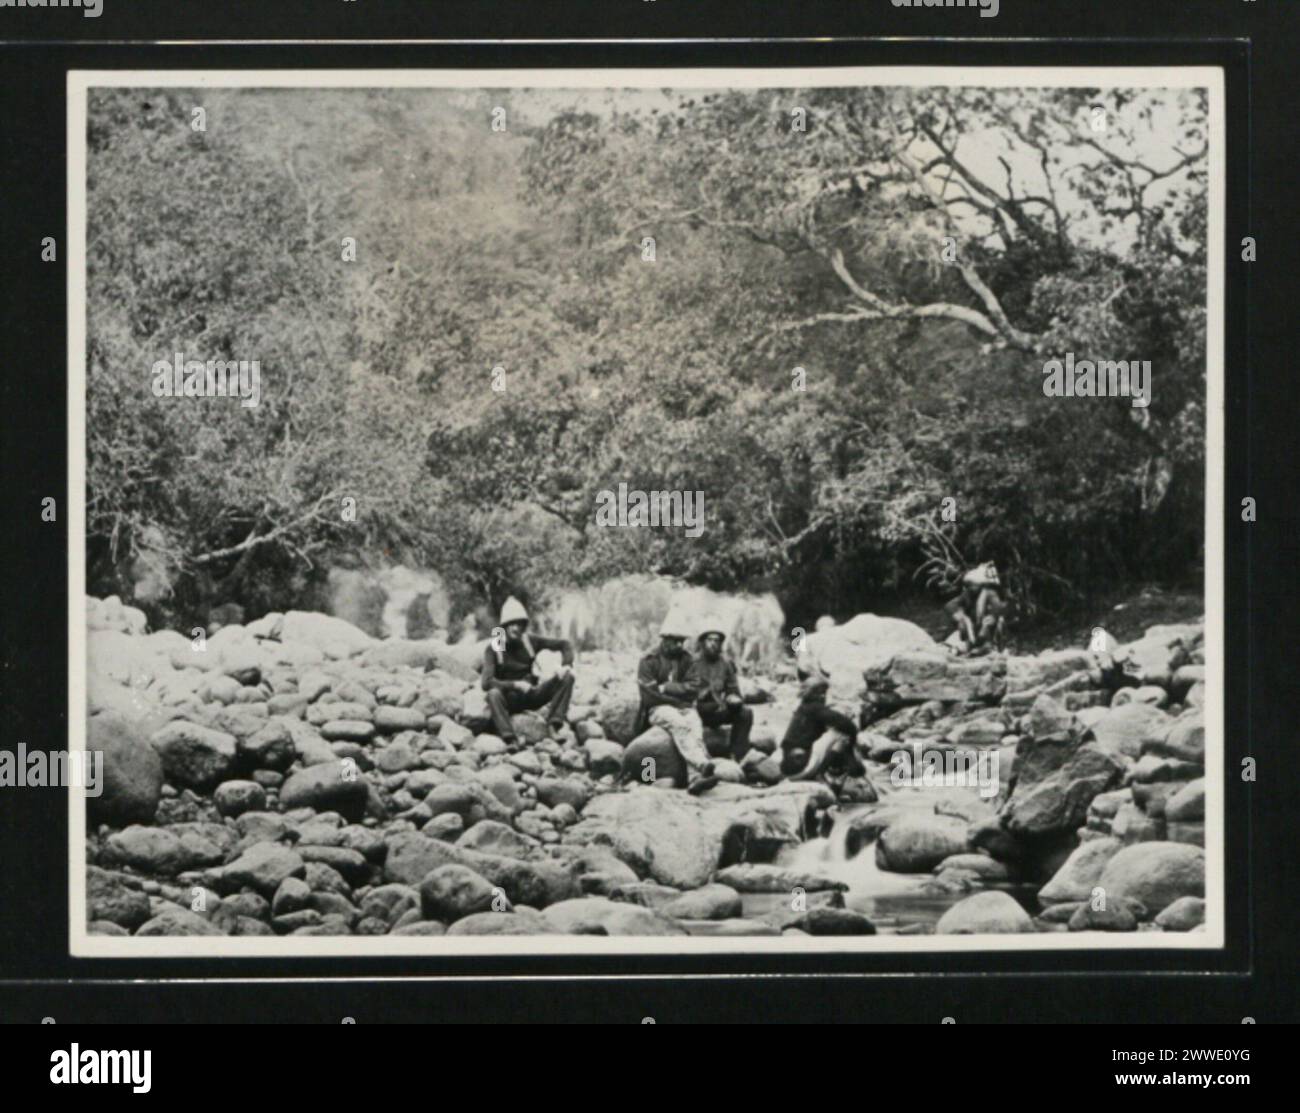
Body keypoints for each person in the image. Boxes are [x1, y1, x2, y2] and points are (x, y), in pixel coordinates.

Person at [635, 611, 719, 795]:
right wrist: (678, 697)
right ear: (664, 639)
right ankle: (701, 763)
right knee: (679, 724)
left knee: (695, 727)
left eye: (682, 641)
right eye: (675, 641)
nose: (680, 645)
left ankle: (695, 778)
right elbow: (650, 696)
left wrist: (668, 687)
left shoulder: (686, 659)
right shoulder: (648, 660)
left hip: (684, 706)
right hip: (657, 709)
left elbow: (694, 688)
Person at [480, 596, 576, 749]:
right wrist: (515, 685)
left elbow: (565, 644)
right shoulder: (495, 647)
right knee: (492, 694)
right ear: (504, 626)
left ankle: (553, 725)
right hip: (508, 700)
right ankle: (510, 739)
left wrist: (566, 665)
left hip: (531, 695)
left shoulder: (529, 640)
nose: (516, 628)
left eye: (520, 624)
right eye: (512, 624)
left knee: (568, 677)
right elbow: (486, 682)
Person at [780, 664, 865, 787]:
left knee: (833, 735)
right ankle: (828, 774)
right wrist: (852, 741)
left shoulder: (803, 708)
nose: (825, 697)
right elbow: (848, 725)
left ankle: (833, 770)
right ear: (820, 693)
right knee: (840, 734)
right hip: (801, 768)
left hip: (788, 769)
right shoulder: (816, 709)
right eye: (824, 693)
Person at [686, 620, 754, 762]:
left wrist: (733, 698)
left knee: (745, 713)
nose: (713, 643)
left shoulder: (726, 664)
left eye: (717, 640)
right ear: (702, 642)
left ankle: (738, 754)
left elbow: (733, 689)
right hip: (696, 712)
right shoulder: (691, 663)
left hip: (717, 710)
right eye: (709, 639)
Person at [944, 562, 1007, 655]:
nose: (971, 587)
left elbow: (998, 608)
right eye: (969, 585)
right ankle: (970, 645)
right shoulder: (967, 594)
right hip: (974, 627)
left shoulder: (990, 594)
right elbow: (950, 605)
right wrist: (962, 618)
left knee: (999, 623)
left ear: (980, 585)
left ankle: (990, 647)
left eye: (973, 585)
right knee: (962, 626)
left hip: (988, 628)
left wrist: (990, 619)